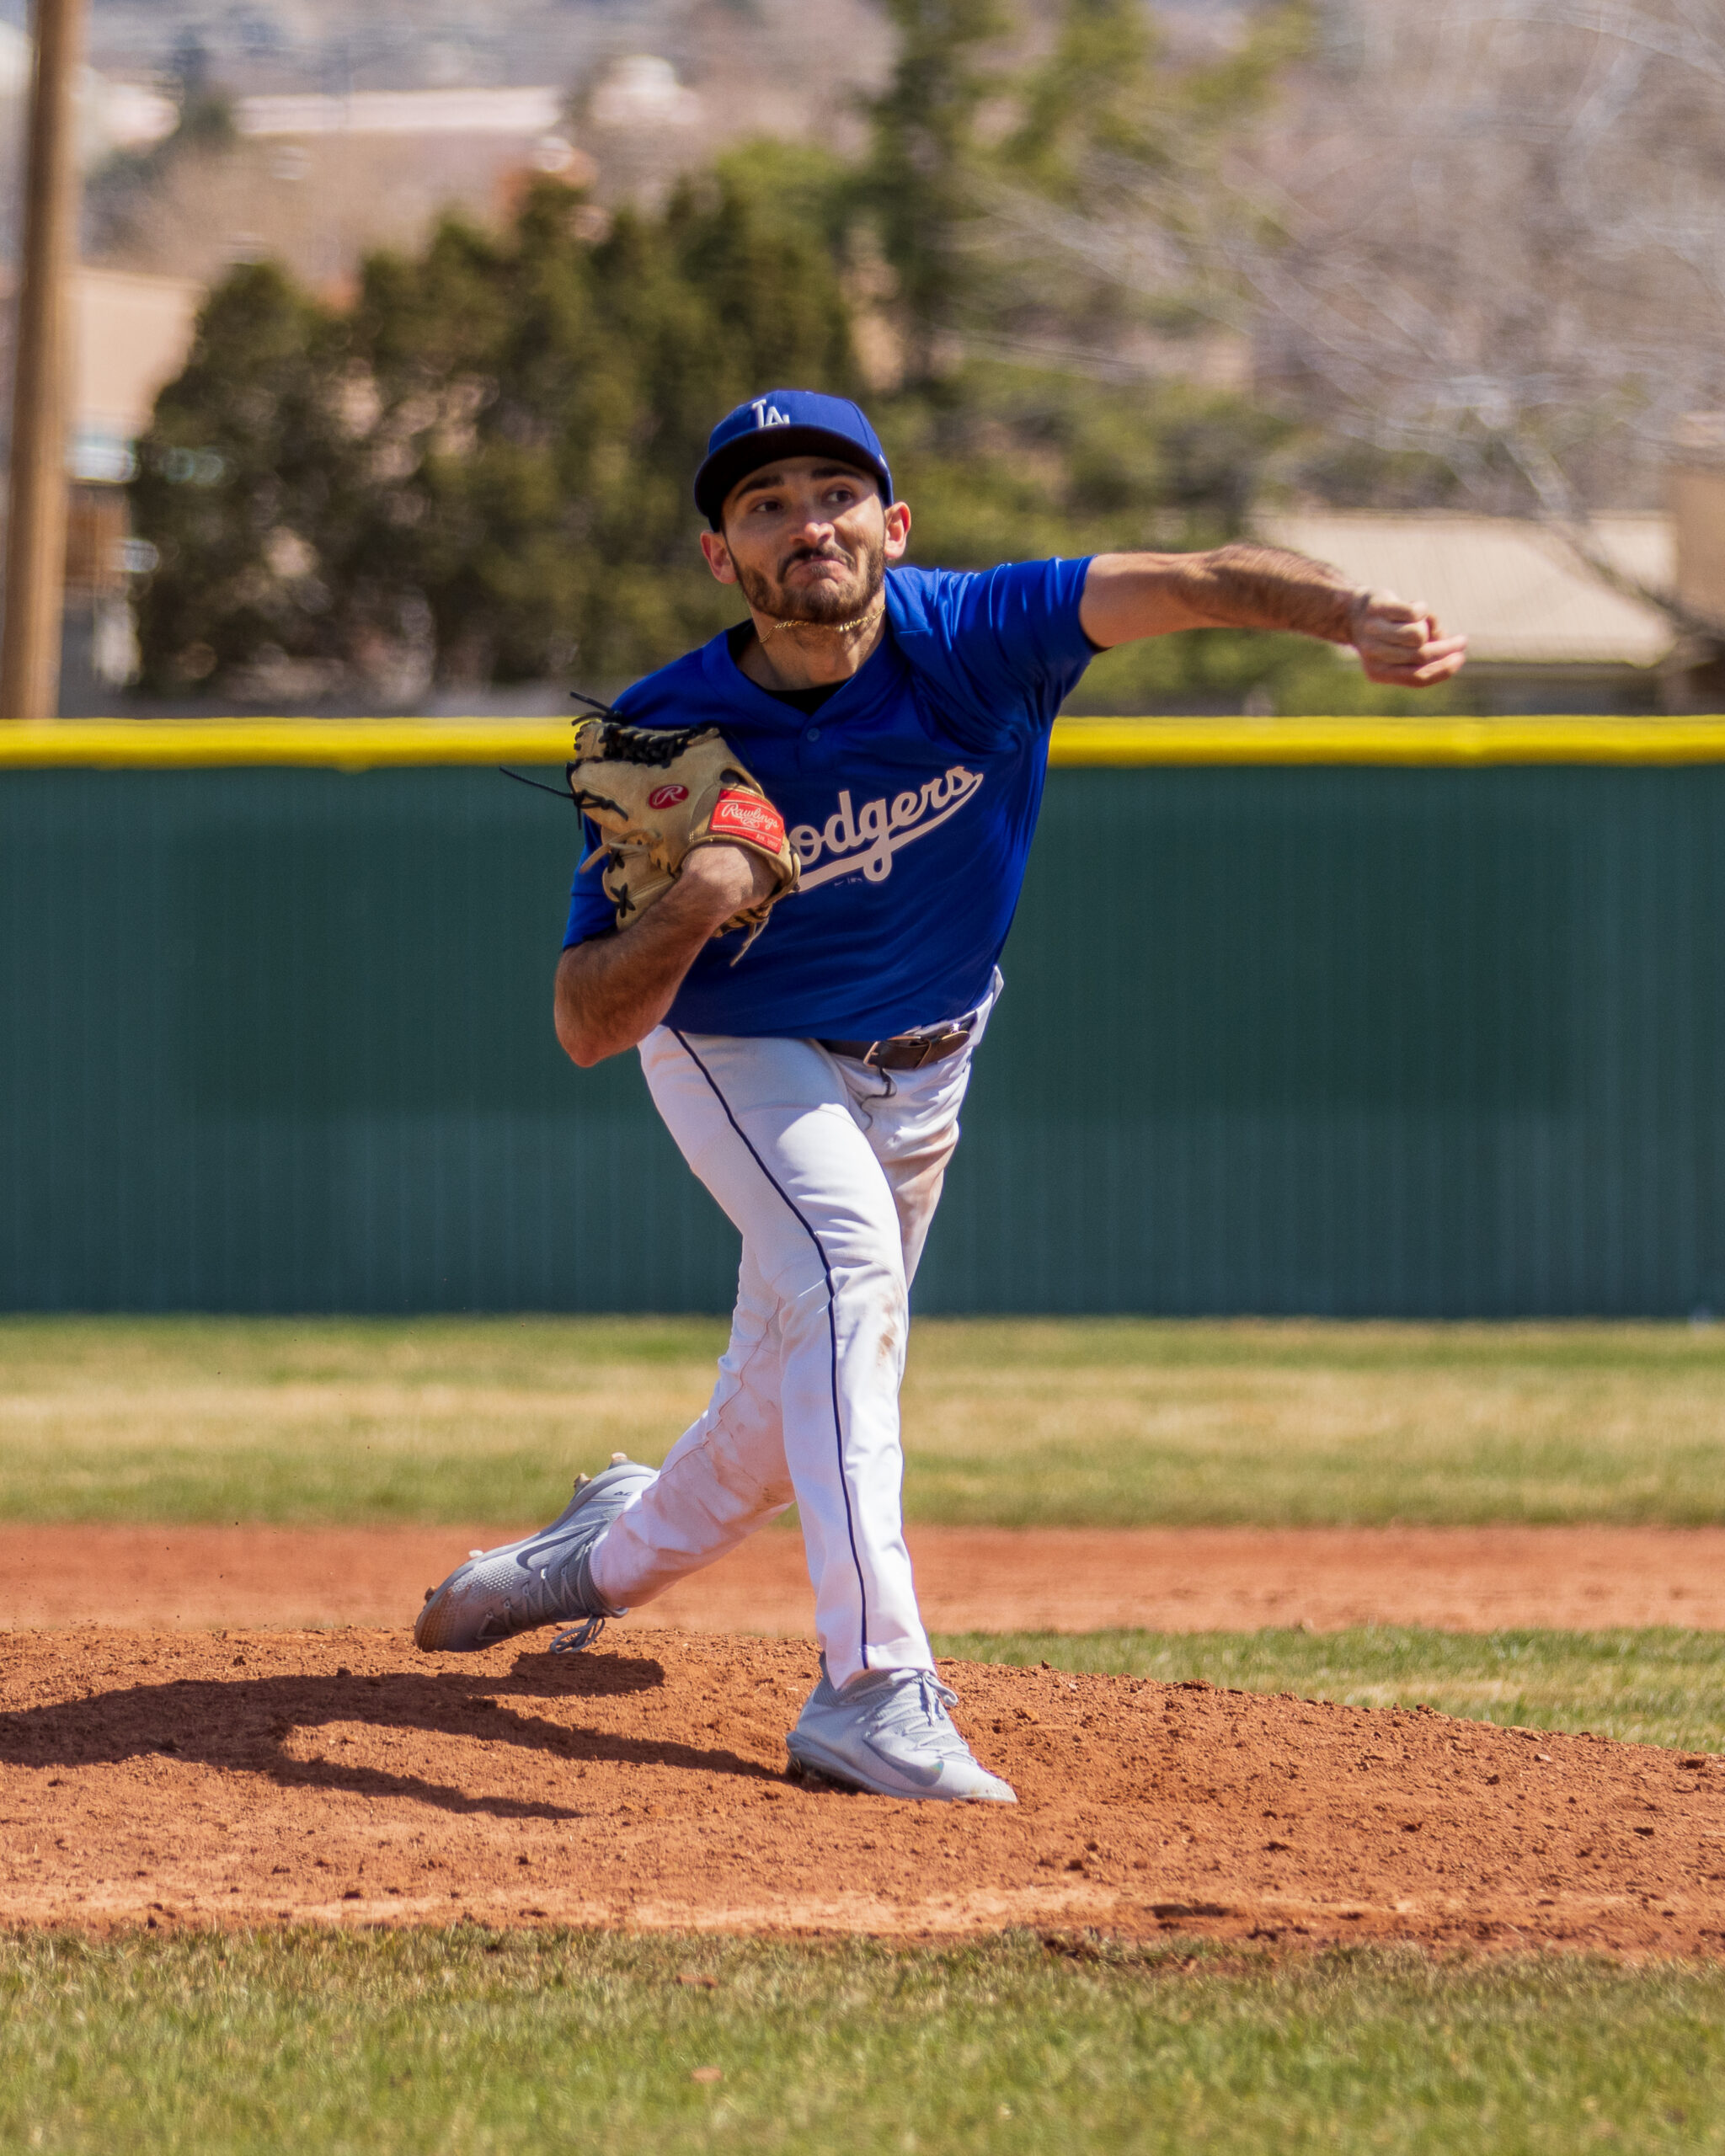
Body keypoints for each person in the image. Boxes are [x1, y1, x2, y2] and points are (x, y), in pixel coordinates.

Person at [415, 389, 1466, 1802]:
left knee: (773, 1431)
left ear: (894, 528)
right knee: (851, 1282)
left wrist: (1352, 615)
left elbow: (1207, 580)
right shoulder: (661, 734)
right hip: (740, 1050)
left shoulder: (983, 632)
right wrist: (694, 905)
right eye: (765, 504)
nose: (808, 523)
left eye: (834, 493)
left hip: (928, 1062)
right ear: (722, 558)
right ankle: (870, 1688)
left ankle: (595, 1553)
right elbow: (587, 1024)